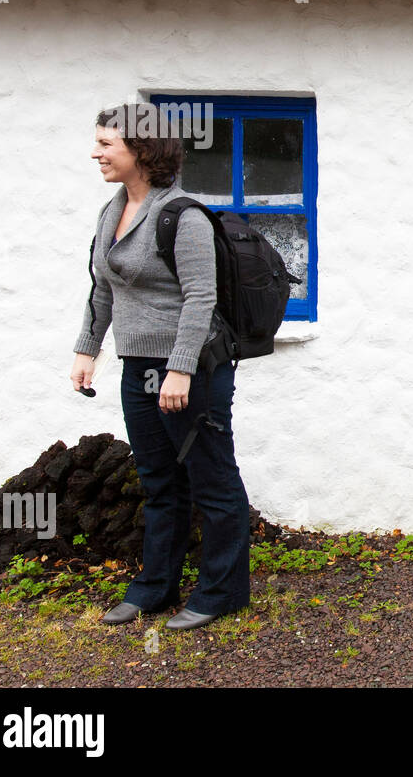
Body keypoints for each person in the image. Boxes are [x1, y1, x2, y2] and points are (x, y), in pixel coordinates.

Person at [70, 103, 251, 630]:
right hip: (137, 366)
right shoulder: (112, 211)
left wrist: (180, 369)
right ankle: (154, 587)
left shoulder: (184, 216)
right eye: (98, 142)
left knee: (212, 479)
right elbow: (102, 286)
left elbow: (200, 299)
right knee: (158, 481)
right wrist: (88, 348)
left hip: (192, 369)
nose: (95, 153)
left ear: (142, 151)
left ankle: (222, 591)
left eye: (107, 144)